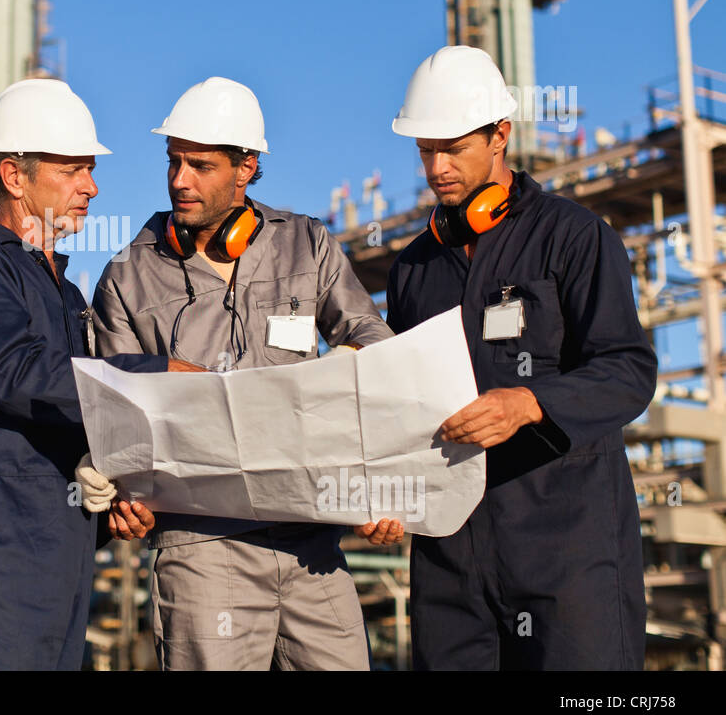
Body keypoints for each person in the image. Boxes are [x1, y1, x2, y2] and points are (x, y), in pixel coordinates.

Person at [85, 76, 403, 671]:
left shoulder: (306, 244)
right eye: (174, 161)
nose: (180, 180)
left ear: (246, 167)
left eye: (201, 166)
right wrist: (126, 493)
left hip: (312, 539)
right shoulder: (128, 276)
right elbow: (115, 415)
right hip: (203, 550)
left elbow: (371, 337)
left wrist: (354, 372)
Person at [0, 78, 201, 671]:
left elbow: (74, 410)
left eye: (90, 170)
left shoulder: (64, 293)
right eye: (72, 170)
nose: (91, 187)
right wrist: (156, 374)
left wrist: (115, 488)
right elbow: (20, 374)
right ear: (14, 177)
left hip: (60, 542)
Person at [384, 45, 657, 670]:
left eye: (454, 149)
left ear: (500, 135)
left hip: (568, 552)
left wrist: (530, 402)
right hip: (450, 560)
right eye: (425, 150)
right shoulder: (413, 269)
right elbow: (393, 399)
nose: (437, 168)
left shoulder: (574, 236)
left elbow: (628, 369)